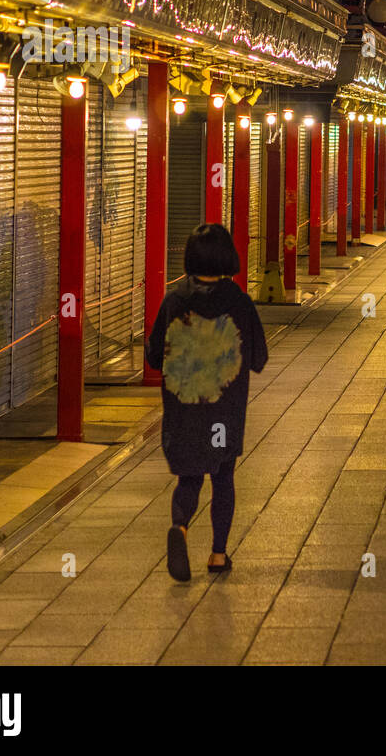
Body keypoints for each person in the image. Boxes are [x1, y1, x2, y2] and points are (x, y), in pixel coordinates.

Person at [146, 224, 268, 582]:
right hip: (223, 414)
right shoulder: (239, 302)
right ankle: (217, 554)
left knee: (189, 477)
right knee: (223, 476)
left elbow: (154, 355)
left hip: (183, 412)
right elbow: (258, 357)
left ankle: (181, 527)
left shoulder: (174, 300)